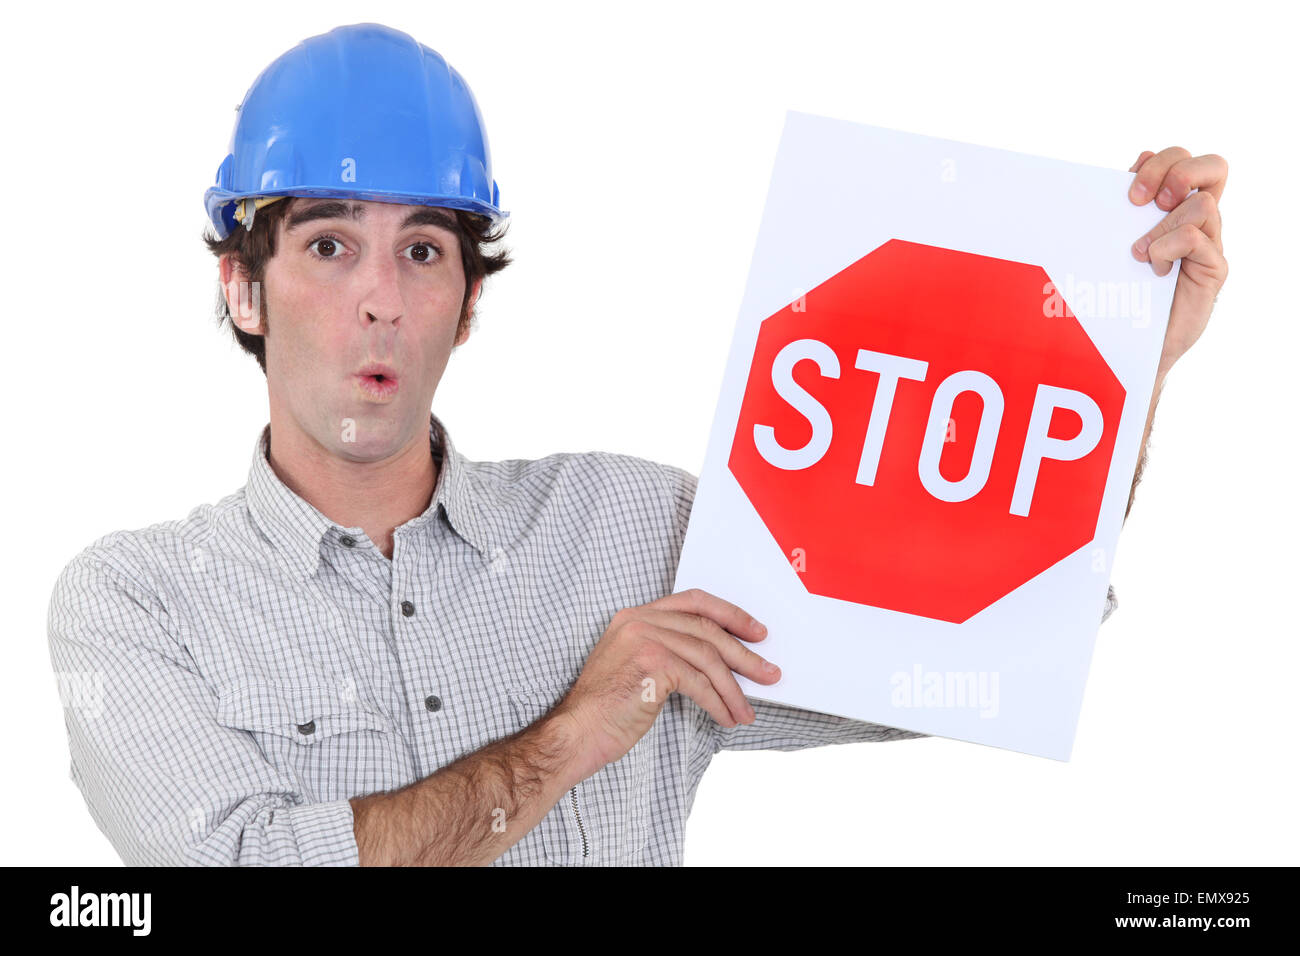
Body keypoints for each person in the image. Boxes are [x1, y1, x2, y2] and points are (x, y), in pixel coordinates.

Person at [46, 23, 1228, 866]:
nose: (378, 300)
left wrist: (1120, 360)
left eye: (421, 250)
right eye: (325, 244)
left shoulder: (629, 532)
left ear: (465, 302)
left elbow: (967, 642)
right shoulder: (138, 603)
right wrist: (573, 731)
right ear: (243, 289)